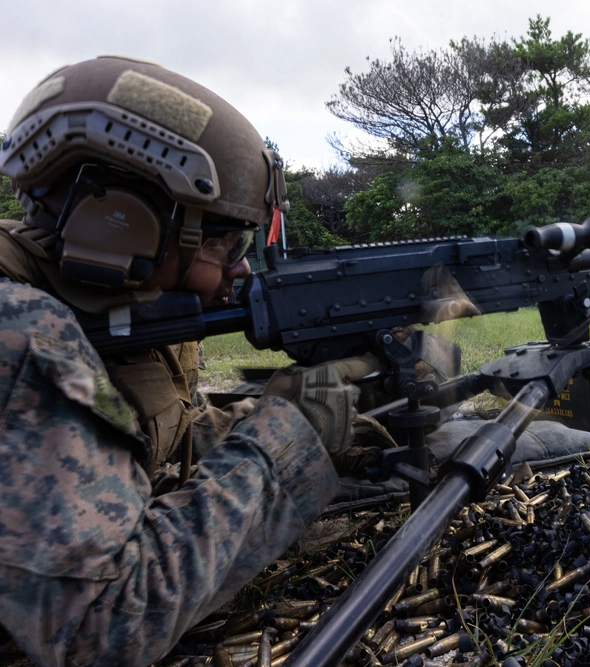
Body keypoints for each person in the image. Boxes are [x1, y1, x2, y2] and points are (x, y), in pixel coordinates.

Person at [0, 56, 360, 666]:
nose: (241, 269)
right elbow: (102, 629)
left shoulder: (96, 303)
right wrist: (283, 442)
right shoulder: (24, 338)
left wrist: (335, 420)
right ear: (125, 227)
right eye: (228, 243)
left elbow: (140, 444)